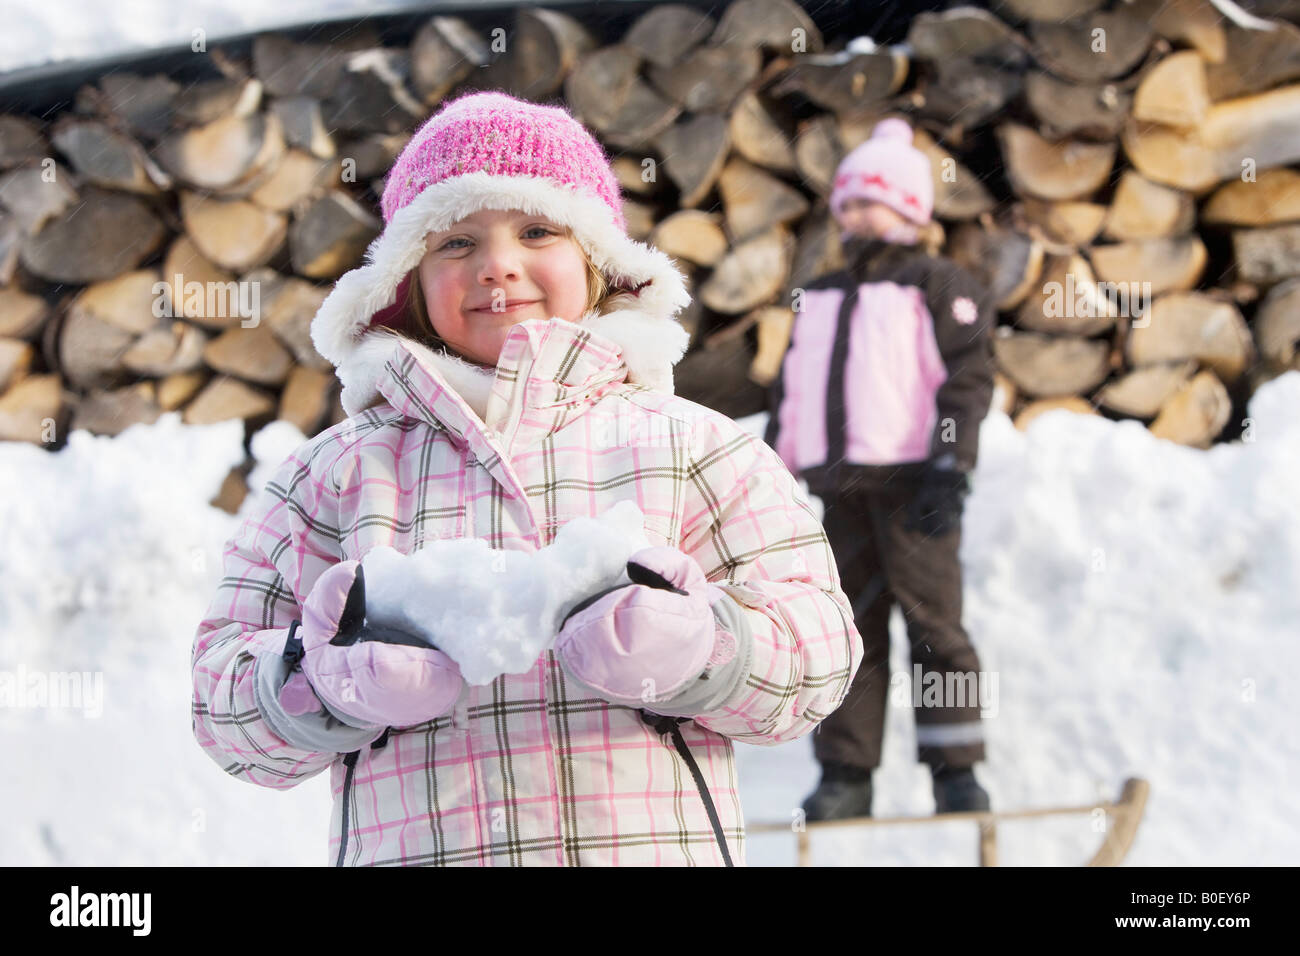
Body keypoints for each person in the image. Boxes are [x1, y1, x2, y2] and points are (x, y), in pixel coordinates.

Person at [190, 91, 863, 866]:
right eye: (454, 242)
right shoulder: (334, 472)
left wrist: (705, 645)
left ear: (598, 260)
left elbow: (819, 659)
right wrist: (317, 680)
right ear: (405, 281)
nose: (497, 264)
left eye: (536, 230)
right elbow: (220, 706)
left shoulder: (694, 448)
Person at [764, 117, 996, 820]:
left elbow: (966, 379)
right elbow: (794, 383)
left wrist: (950, 467)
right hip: (841, 490)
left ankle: (956, 772)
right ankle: (846, 776)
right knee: (849, 634)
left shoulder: (939, 283)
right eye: (850, 201)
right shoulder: (824, 291)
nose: (859, 213)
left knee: (936, 630)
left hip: (915, 488)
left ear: (911, 210)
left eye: (876, 200)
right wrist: (777, 463)